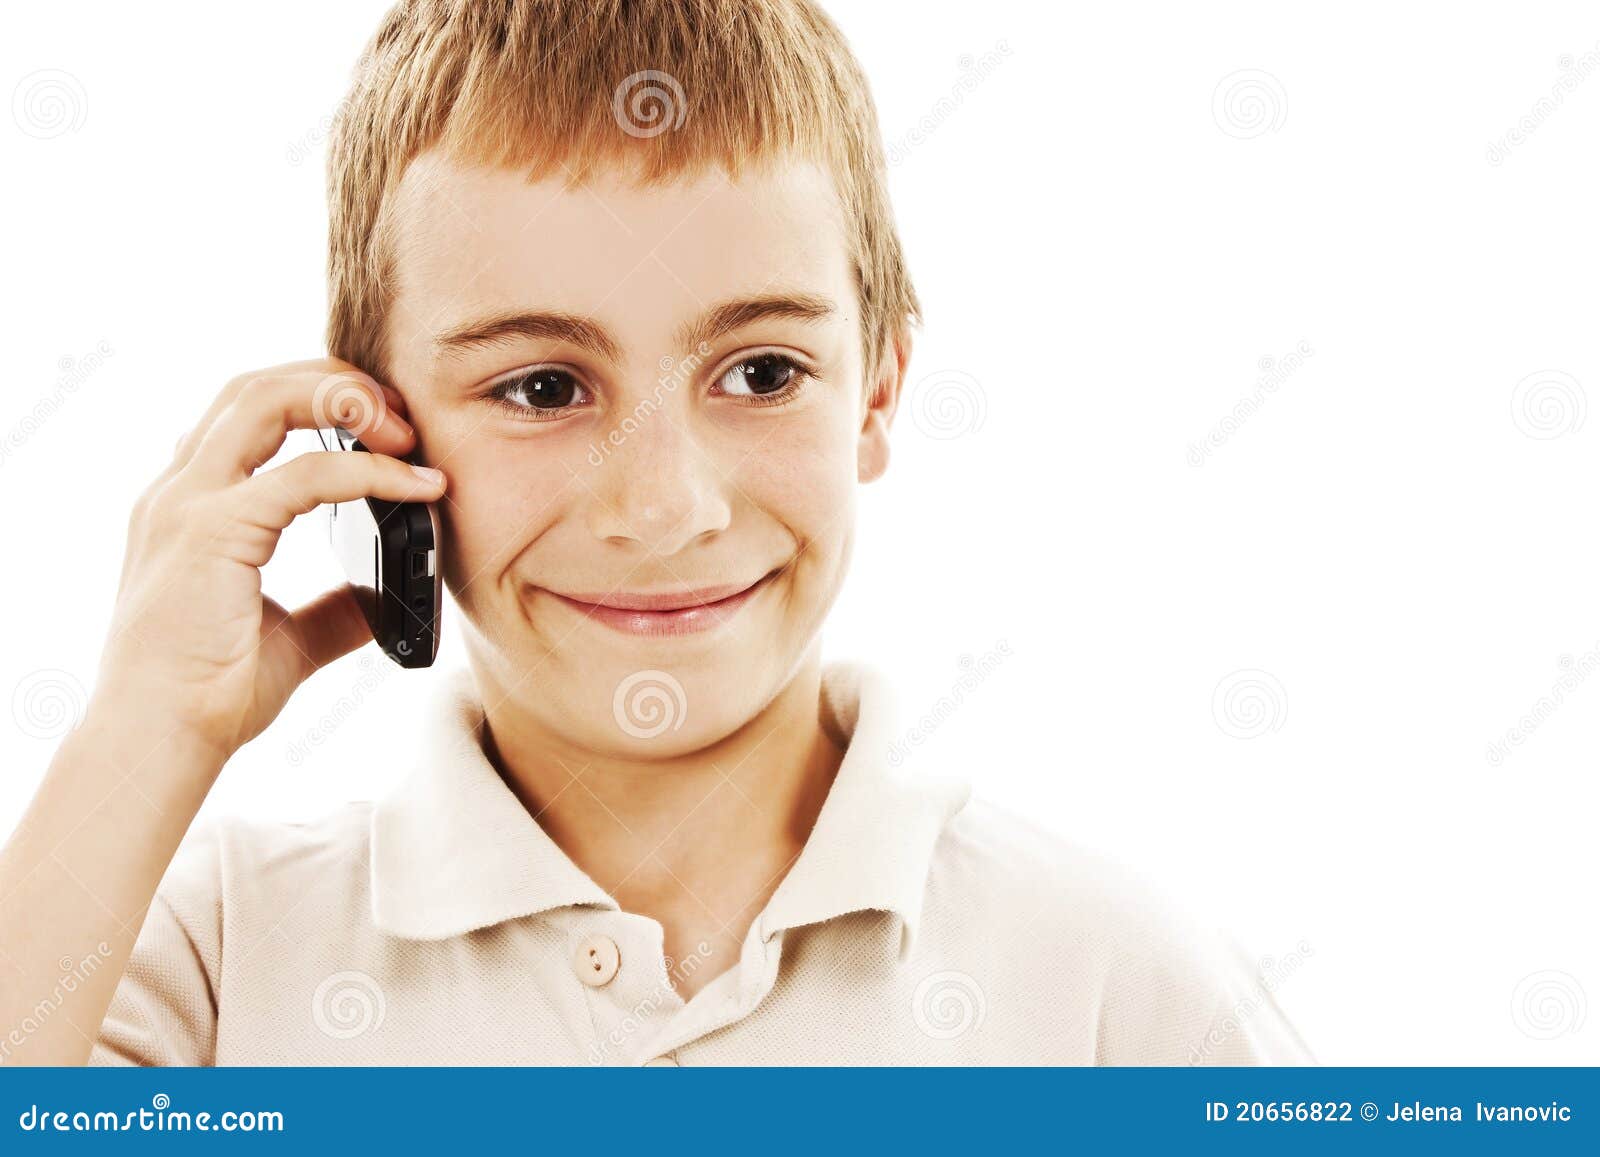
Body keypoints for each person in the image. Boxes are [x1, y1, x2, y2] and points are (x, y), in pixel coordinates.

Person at [0, 0, 1311, 1065]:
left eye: (760, 372)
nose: (665, 504)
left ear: (880, 389)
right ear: (374, 436)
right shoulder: (220, 957)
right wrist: (150, 729)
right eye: (543, 388)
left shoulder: (1102, 980)